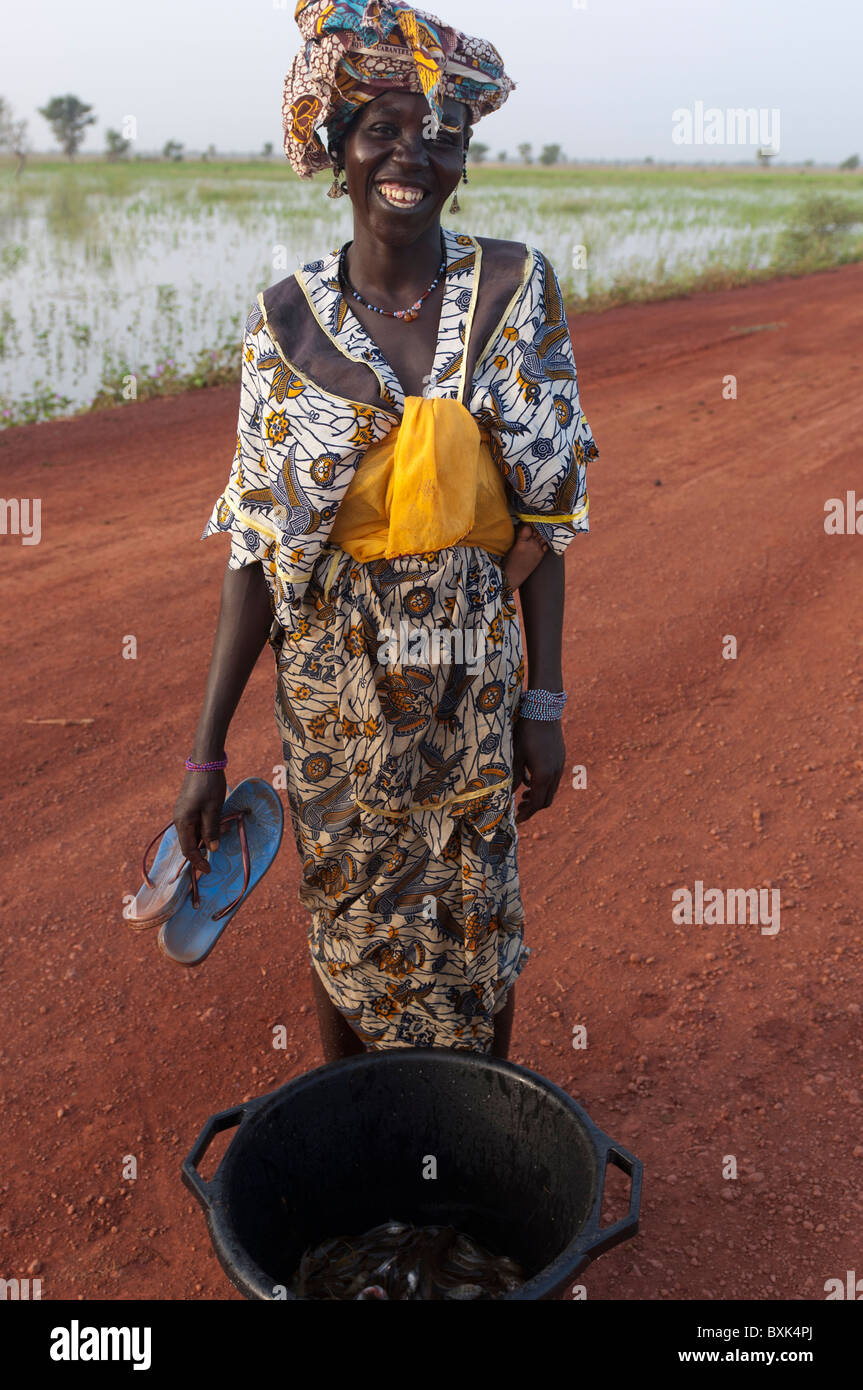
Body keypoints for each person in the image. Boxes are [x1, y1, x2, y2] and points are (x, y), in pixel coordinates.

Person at [173, 0, 599, 1060]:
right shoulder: (284, 322)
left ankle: (477, 1125)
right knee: (347, 905)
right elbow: (258, 551)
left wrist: (543, 700)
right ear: (334, 150)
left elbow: (548, 510)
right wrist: (204, 752)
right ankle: (355, 1132)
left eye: (440, 135)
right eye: (382, 131)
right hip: (332, 684)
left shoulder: (511, 290)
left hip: (470, 669)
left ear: (462, 160)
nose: (413, 155)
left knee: (476, 907)